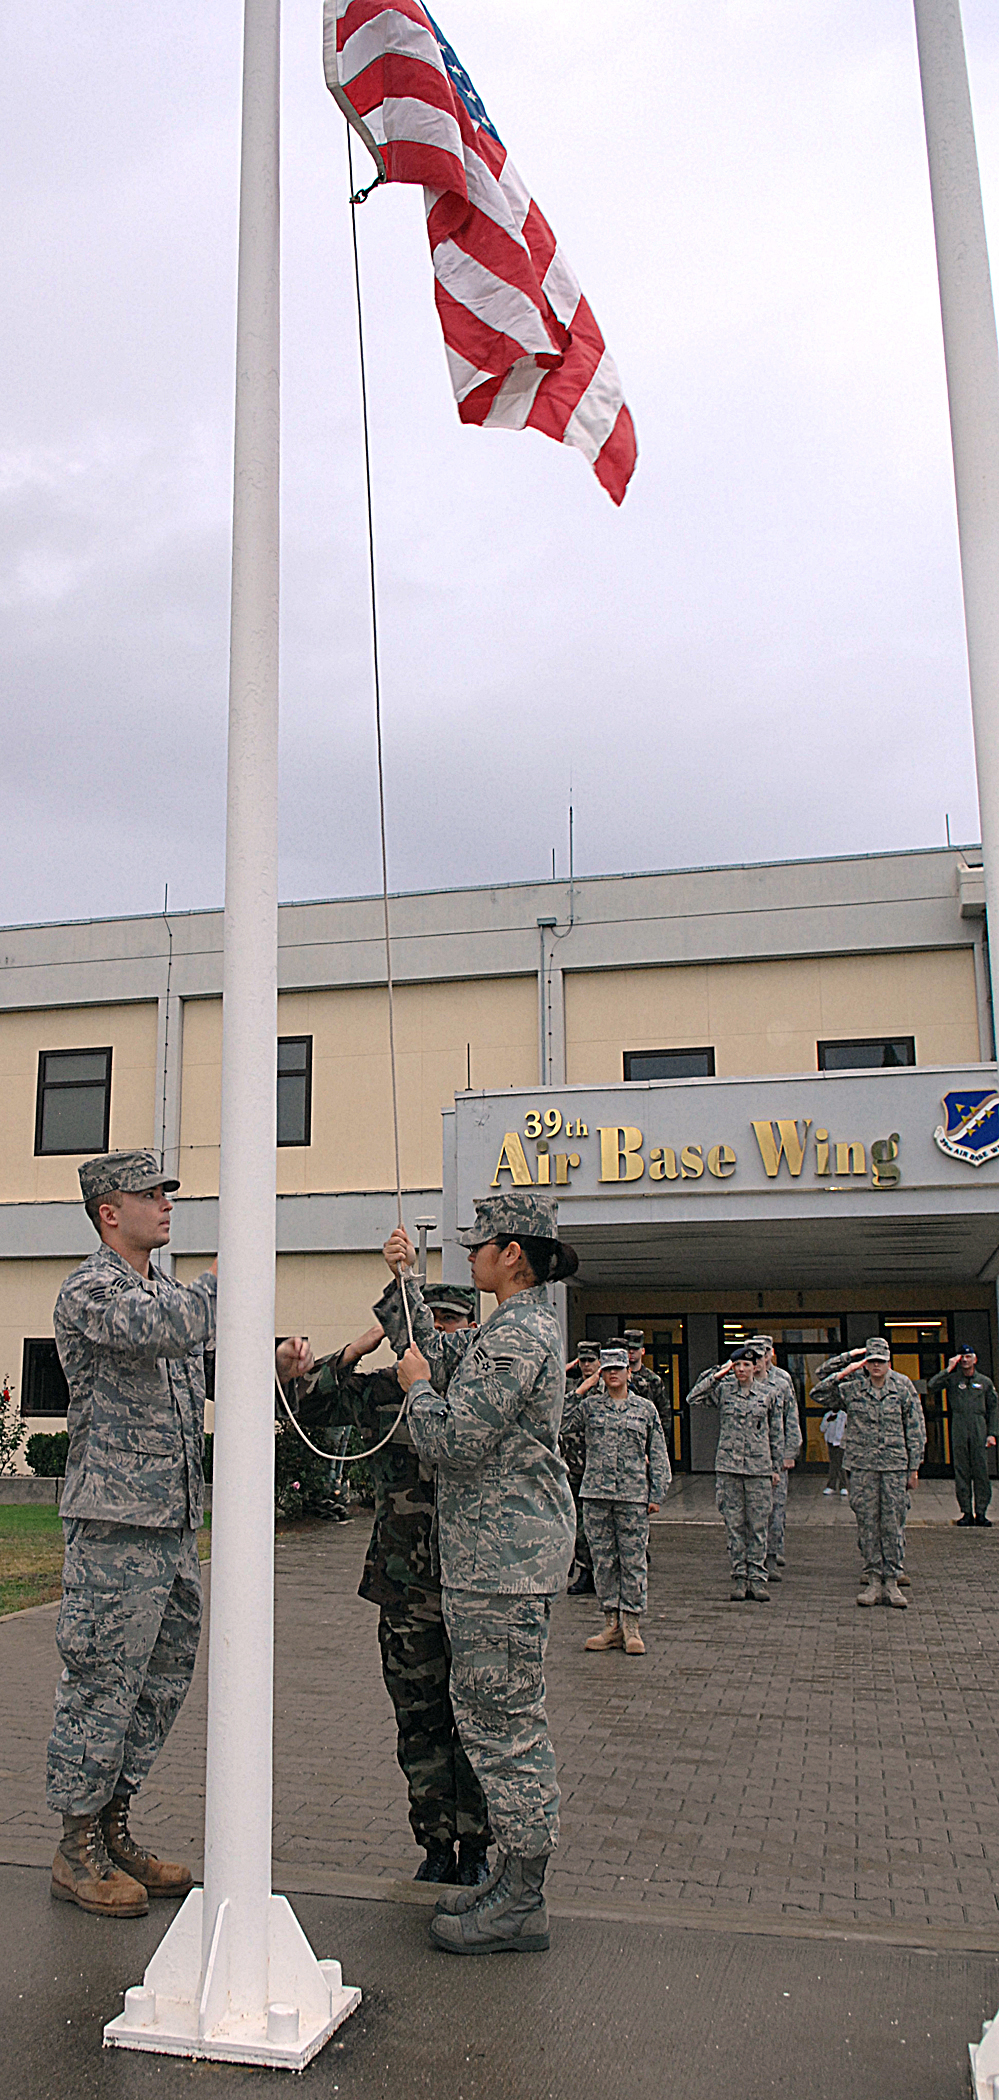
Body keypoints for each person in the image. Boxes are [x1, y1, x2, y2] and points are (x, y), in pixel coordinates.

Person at [46, 1149, 311, 1918]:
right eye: (151, 1194)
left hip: (168, 1525)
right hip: (114, 1526)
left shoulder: (165, 1291)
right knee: (100, 1684)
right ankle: (75, 1847)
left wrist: (272, 1366)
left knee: (157, 1684)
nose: (167, 1203)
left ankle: (112, 1825)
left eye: (167, 1192)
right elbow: (168, 1328)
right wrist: (229, 1282)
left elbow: (200, 1368)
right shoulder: (93, 1290)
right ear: (109, 1212)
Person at [378, 1192, 576, 1957]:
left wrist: (415, 1393)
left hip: (503, 1565)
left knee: (505, 1728)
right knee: (493, 1720)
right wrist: (405, 1281)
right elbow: (439, 1352)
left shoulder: (519, 1335)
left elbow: (455, 1438)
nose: (469, 1257)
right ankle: (510, 1876)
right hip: (493, 1561)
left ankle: (523, 1893)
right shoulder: (510, 1329)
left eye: (479, 1245)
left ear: (513, 1255)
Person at [290, 1283, 492, 1887]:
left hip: (475, 1587)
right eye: (432, 1324)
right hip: (406, 1588)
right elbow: (311, 1407)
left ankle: (477, 1845)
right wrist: (367, 1341)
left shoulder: (486, 1393)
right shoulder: (387, 1392)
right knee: (420, 1722)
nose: (443, 1335)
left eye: (454, 1324)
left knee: (477, 1724)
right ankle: (434, 1843)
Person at [566, 1344, 670, 1655]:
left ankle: (632, 1625)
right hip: (597, 1495)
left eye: (618, 1369)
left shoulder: (645, 1409)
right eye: (607, 1369)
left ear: (628, 1372)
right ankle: (611, 1623)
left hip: (632, 1496)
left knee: (633, 1561)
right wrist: (581, 1388)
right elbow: (558, 1422)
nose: (613, 1374)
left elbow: (658, 1452)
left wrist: (657, 1493)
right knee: (604, 1562)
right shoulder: (590, 1407)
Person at [811, 1339, 925, 1608]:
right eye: (871, 1361)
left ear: (889, 1361)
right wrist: (848, 1362)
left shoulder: (902, 1386)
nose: (876, 1366)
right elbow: (819, 1390)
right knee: (867, 1522)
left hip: (894, 1467)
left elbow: (915, 1428)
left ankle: (892, 1580)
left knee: (892, 1522)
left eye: (880, 1361)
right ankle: (874, 1577)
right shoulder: (853, 1388)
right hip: (863, 1467)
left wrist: (914, 1468)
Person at [687, 1345, 782, 1601]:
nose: (741, 1370)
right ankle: (740, 1577)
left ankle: (757, 1578)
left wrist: (776, 1468)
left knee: (758, 1526)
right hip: (729, 1468)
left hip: (759, 1469)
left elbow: (776, 1433)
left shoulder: (770, 1393)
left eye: (746, 1365)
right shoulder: (724, 1390)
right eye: (737, 1365)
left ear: (755, 1367)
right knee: (735, 1525)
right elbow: (693, 1398)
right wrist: (718, 1374)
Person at [925, 1346, 999, 1528]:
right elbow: (931, 1386)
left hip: (978, 1425)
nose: (965, 1360)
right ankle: (966, 1511)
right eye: (962, 1357)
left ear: (975, 1359)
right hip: (959, 1425)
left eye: (968, 1356)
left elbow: (993, 1408)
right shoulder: (952, 1379)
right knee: (961, 1471)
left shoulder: (984, 1382)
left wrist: (992, 1433)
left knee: (981, 1471)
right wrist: (948, 1368)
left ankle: (981, 1512)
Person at [750, 1337, 802, 1582]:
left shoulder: (781, 1381)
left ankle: (772, 1554)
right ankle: (752, 1557)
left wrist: (791, 1452)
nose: (761, 1359)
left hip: (776, 1453)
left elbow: (791, 1416)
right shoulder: (741, 1379)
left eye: (764, 1353)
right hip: (748, 1456)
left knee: (776, 1508)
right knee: (751, 1510)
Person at [561, 1341, 600, 1595]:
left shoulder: (606, 1390)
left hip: (597, 1470)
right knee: (578, 1526)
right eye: (582, 1361)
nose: (586, 1366)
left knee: (596, 1526)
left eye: (590, 1361)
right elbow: (560, 1418)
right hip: (573, 1468)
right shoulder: (573, 1389)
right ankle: (586, 1571)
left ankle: (597, 1572)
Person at [623, 1329, 670, 1438]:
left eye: (635, 1348)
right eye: (629, 1349)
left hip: (646, 1436)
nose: (631, 1352)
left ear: (643, 1351)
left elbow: (664, 1415)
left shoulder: (653, 1380)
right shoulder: (616, 1378)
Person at [820, 1407, 848, 1495]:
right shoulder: (827, 1415)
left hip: (840, 1443)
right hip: (831, 1442)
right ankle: (831, 1486)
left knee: (840, 1464)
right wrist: (827, 1421)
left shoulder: (843, 1415)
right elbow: (822, 1429)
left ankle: (843, 1486)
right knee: (833, 1464)